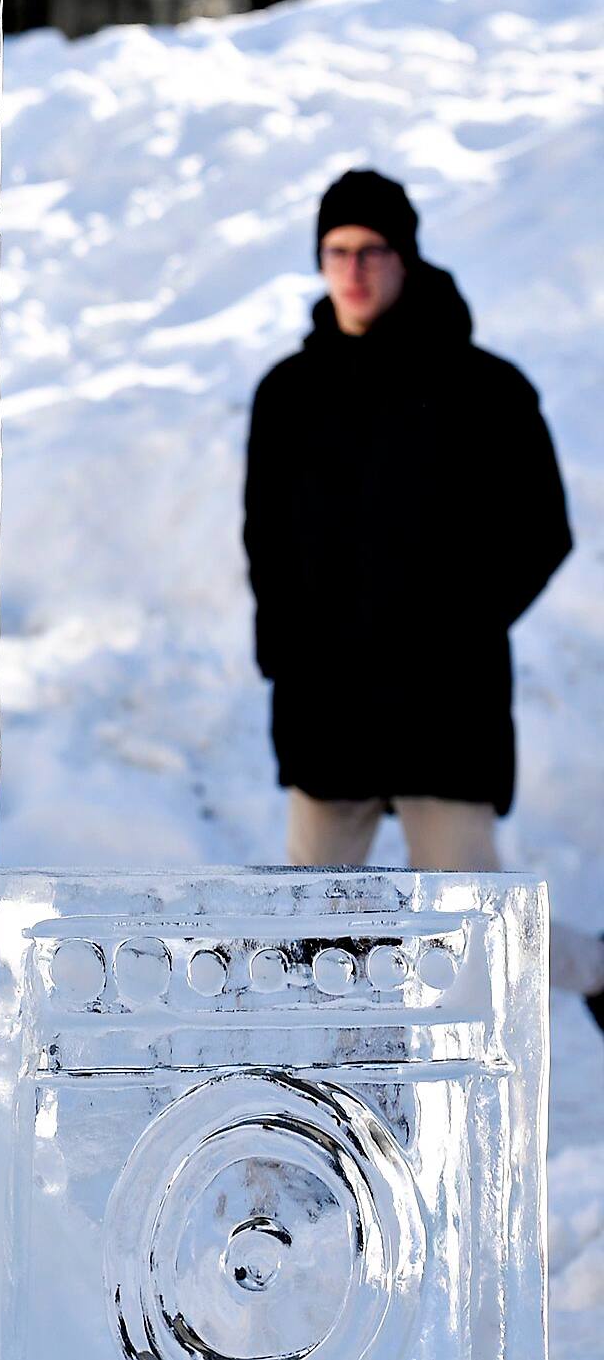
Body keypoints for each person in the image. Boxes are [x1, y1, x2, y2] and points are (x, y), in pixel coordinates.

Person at [244, 167, 599, 1019]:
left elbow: (543, 528)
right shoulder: (288, 395)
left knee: (483, 922)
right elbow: (267, 544)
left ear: (405, 258)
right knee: (307, 930)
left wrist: (459, 629)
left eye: (372, 250)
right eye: (337, 252)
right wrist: (286, 660)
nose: (355, 269)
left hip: (447, 706)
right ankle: (320, 1102)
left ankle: (594, 969)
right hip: (330, 706)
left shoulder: (487, 389)